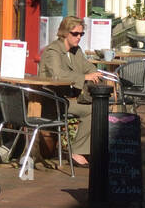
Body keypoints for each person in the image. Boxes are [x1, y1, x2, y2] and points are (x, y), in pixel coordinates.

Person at [38, 16, 104, 166]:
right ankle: (76, 152)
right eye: (75, 34)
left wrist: (96, 74)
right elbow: (57, 74)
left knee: (97, 107)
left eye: (81, 34)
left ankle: (81, 150)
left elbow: (88, 67)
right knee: (92, 110)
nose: (79, 37)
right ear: (64, 33)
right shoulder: (53, 50)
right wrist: (85, 77)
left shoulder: (76, 50)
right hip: (51, 99)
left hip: (67, 98)